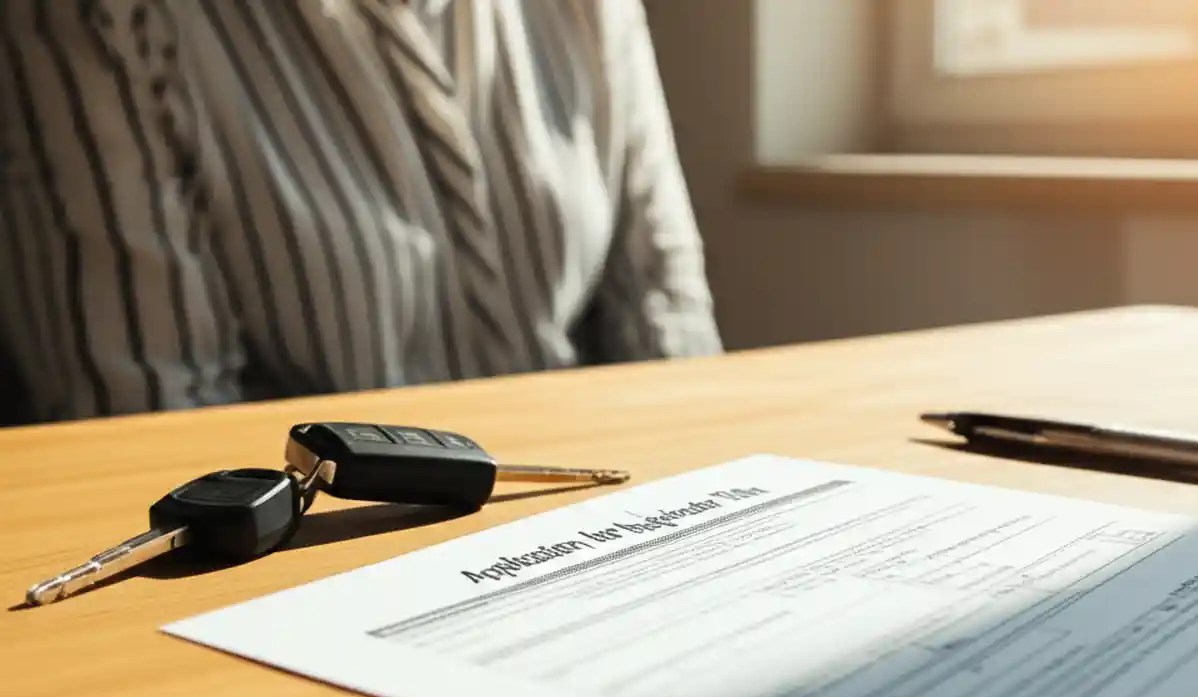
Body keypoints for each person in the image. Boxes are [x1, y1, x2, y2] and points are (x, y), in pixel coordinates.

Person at [0, 0, 722, 423]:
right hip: (306, 598)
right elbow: (153, 446)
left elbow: (666, 323)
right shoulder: (103, 21)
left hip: (598, 546)